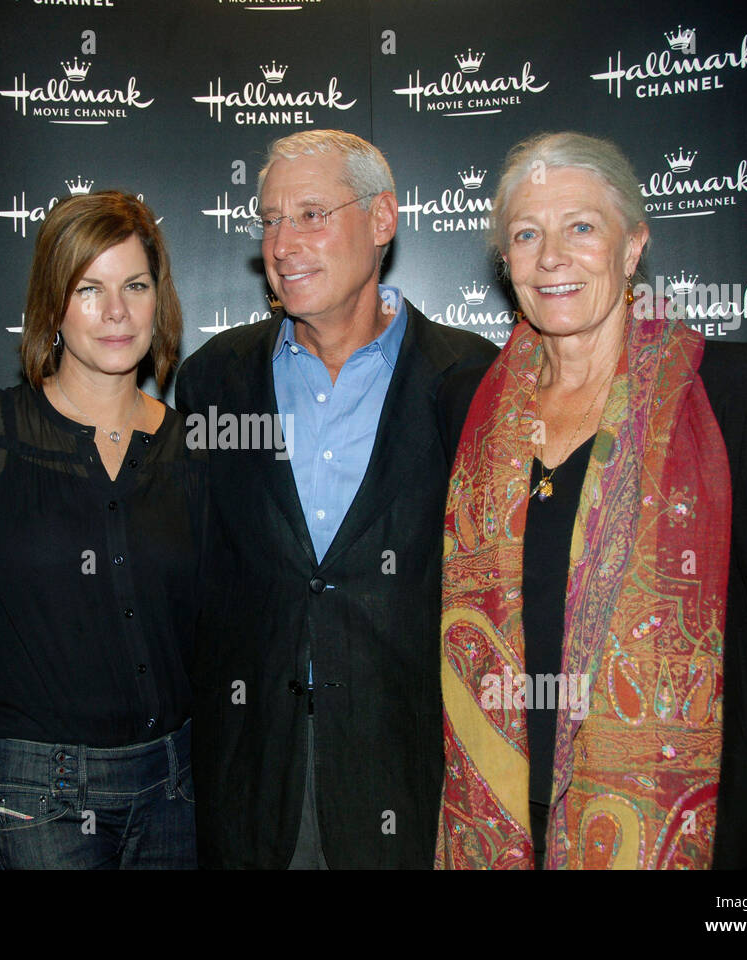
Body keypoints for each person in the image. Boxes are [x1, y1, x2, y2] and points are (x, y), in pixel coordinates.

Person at [436, 131, 747, 869]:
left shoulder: (737, 393)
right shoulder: (464, 405)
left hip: (691, 829)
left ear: (632, 246)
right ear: (505, 261)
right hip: (504, 822)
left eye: (581, 227)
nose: (552, 256)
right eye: (526, 234)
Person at [175, 130, 498, 869]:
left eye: (312, 215)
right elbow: (197, 580)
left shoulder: (471, 379)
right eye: (270, 219)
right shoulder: (215, 380)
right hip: (253, 781)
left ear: (382, 220)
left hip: (411, 782)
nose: (283, 244)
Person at [0, 191, 204, 869]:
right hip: (34, 793)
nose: (117, 311)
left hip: (174, 785)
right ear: (52, 306)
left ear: (160, 298)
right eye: (89, 288)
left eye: (135, 285)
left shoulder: (196, 449)